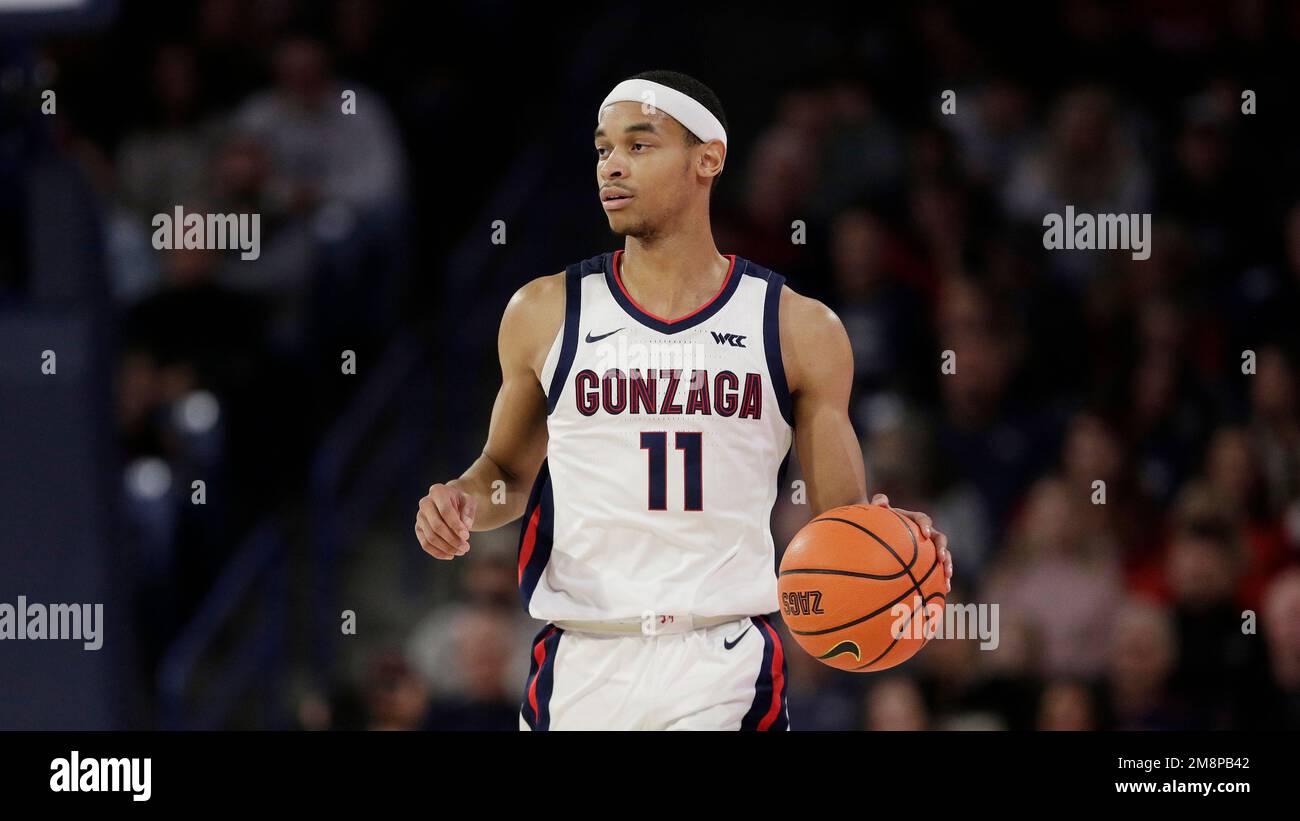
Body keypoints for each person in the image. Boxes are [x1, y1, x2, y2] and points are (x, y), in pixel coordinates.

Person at [413, 70, 953, 730]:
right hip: (583, 660)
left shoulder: (798, 326)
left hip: (722, 663)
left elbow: (838, 520)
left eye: (639, 145)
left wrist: (899, 552)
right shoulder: (544, 310)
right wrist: (462, 500)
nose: (612, 165)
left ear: (709, 159)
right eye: (603, 149)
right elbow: (506, 476)